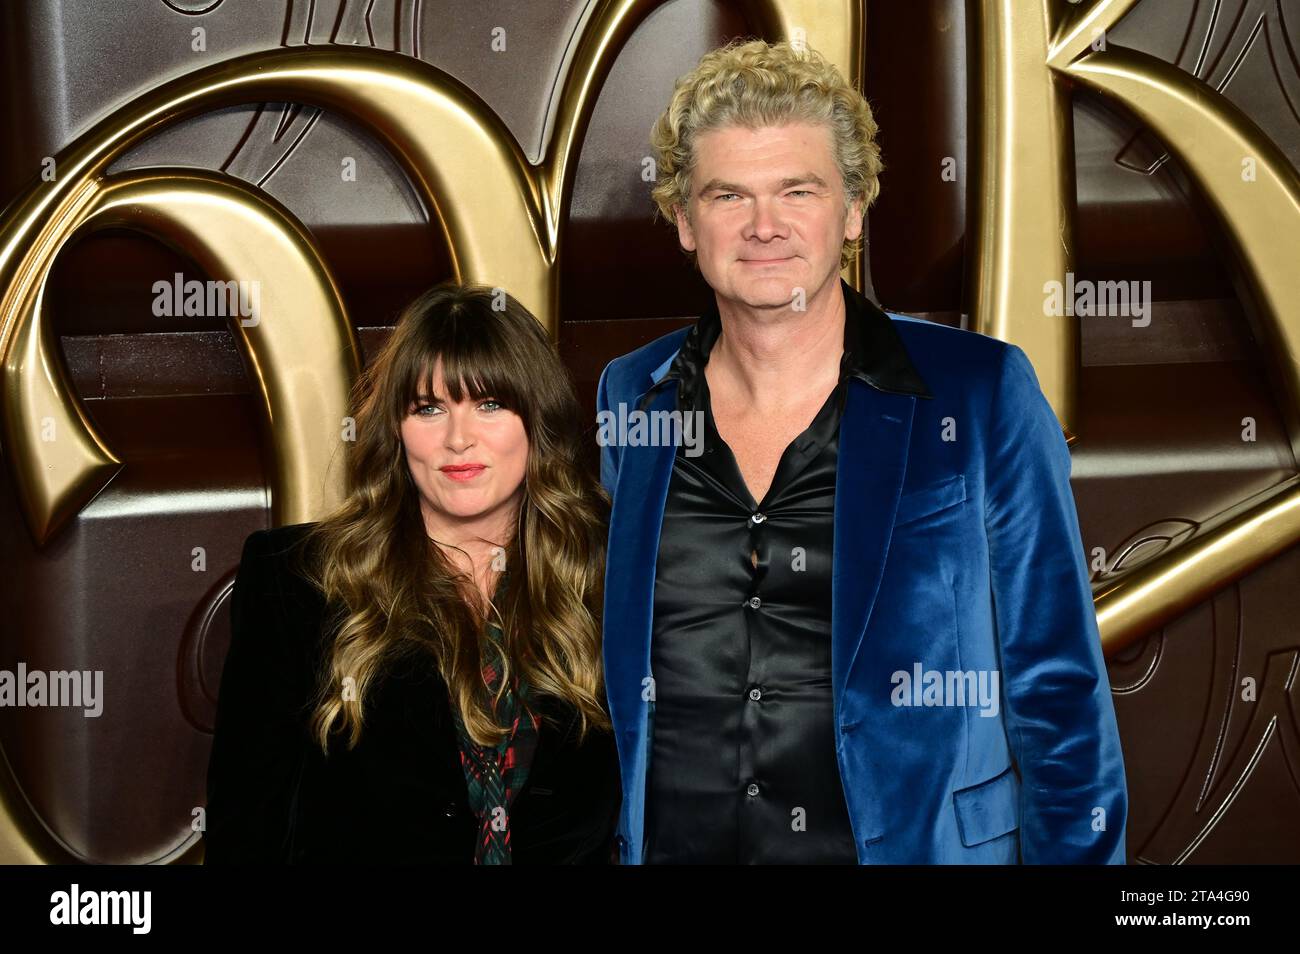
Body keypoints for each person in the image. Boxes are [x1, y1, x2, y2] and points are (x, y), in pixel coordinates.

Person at [596, 38, 1128, 864]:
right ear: (683, 221)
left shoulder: (978, 392)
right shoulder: (633, 397)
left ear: (852, 210)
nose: (764, 225)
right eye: (728, 194)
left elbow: (1059, 694)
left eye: (796, 191)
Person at [205, 282, 620, 863]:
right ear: (396, 431)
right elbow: (244, 835)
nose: (458, 438)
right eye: (429, 408)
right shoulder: (298, 582)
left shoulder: (610, 571)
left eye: (490, 404)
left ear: (537, 421)